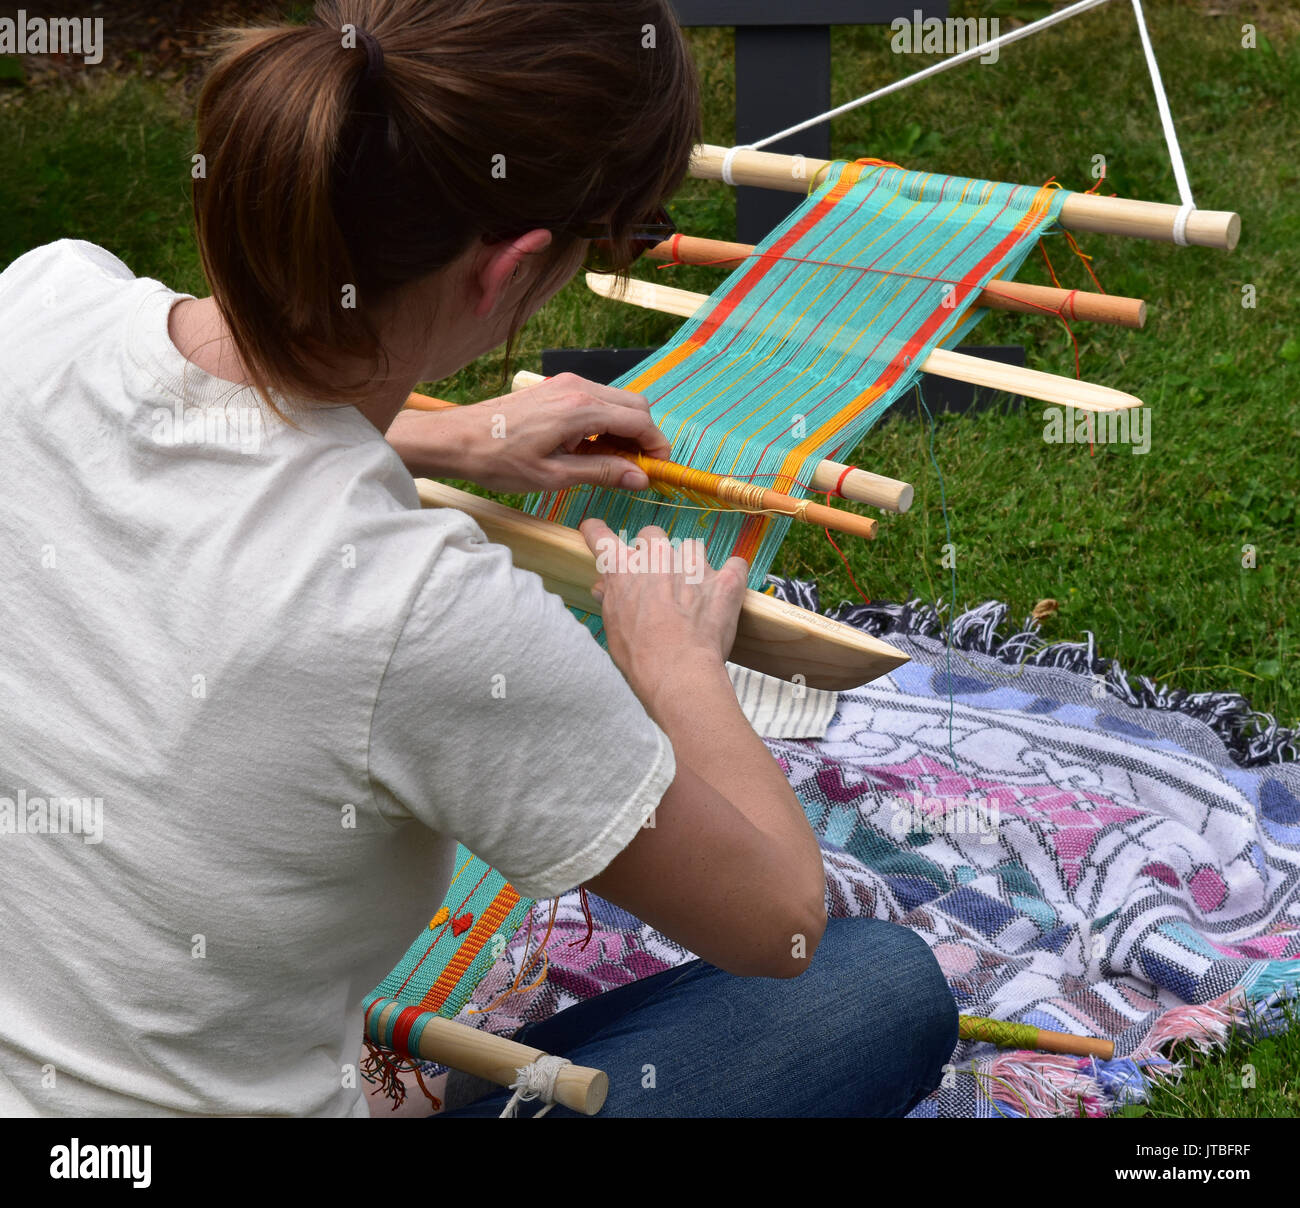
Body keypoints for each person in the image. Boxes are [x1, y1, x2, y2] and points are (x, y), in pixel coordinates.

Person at [0, 0, 956, 1118]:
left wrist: (454, 434)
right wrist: (673, 663)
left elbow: (206, 424)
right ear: (510, 273)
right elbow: (780, 920)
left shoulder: (41, 300)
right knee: (871, 989)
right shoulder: (418, 609)